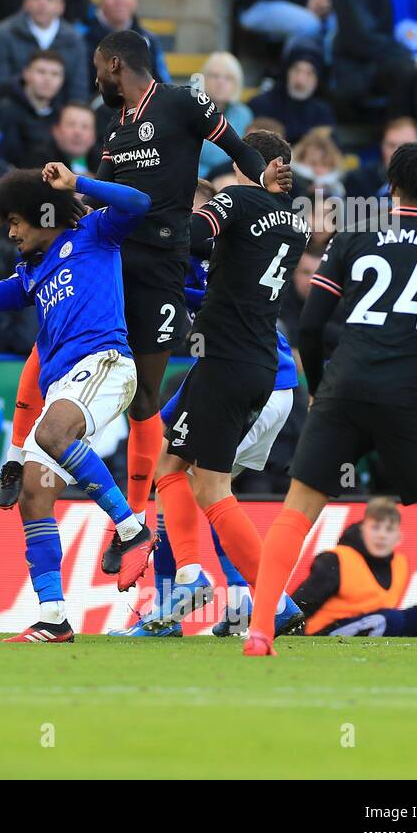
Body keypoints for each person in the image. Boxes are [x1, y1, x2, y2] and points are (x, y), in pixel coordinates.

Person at [0, 30, 293, 532]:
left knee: (145, 399)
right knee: (47, 345)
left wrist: (263, 182)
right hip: (111, 250)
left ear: (113, 64)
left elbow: (239, 147)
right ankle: (18, 459)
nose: (94, 77)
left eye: (96, 67)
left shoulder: (183, 103)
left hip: (161, 266)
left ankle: (133, 516)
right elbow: (100, 199)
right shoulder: (115, 126)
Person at [247, 142, 417, 658]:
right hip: (410, 393)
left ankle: (259, 630)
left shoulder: (354, 236)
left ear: (392, 186)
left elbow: (312, 325)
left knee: (296, 514)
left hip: (345, 385)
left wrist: (318, 387)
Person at [135, 131, 311, 636]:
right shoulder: (294, 225)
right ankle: (225, 586)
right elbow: (232, 265)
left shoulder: (236, 199)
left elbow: (192, 233)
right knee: (178, 464)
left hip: (225, 357)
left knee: (206, 485)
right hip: (260, 361)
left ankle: (247, 593)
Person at [0, 164, 154, 643]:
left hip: (106, 363)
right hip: (66, 387)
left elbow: (139, 203)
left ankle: (131, 528)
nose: (11, 232)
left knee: (52, 434)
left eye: (16, 220)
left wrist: (78, 183)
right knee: (35, 495)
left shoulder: (95, 231)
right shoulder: (31, 273)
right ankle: (54, 616)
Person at [295, 498, 417, 637]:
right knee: (388, 619)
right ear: (362, 529)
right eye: (375, 527)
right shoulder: (337, 559)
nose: (381, 535)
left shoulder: (399, 564)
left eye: (389, 529)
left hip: (374, 625)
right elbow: (302, 603)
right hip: (322, 634)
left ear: (399, 537)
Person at [0, 0, 89, 104]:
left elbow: (78, 92)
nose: (42, 3)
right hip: (13, 115)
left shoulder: (74, 39)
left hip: (60, 119)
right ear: (26, 2)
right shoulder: (1, 35)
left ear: (61, 6)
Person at [84, 0, 170, 85]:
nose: (120, 1)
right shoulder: (83, 37)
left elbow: (162, 83)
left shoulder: (150, 40)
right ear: (101, 1)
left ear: (135, 1)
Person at [248, 42, 336, 147]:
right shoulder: (260, 105)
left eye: (309, 73)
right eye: (296, 70)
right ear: (287, 72)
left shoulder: (323, 114)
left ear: (318, 79)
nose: (300, 80)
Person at [198, 52, 253, 179]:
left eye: (228, 78)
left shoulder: (244, 114)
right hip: (196, 179)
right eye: (214, 76)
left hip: (230, 178)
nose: (220, 82)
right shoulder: (190, 109)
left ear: (236, 84)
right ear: (204, 79)